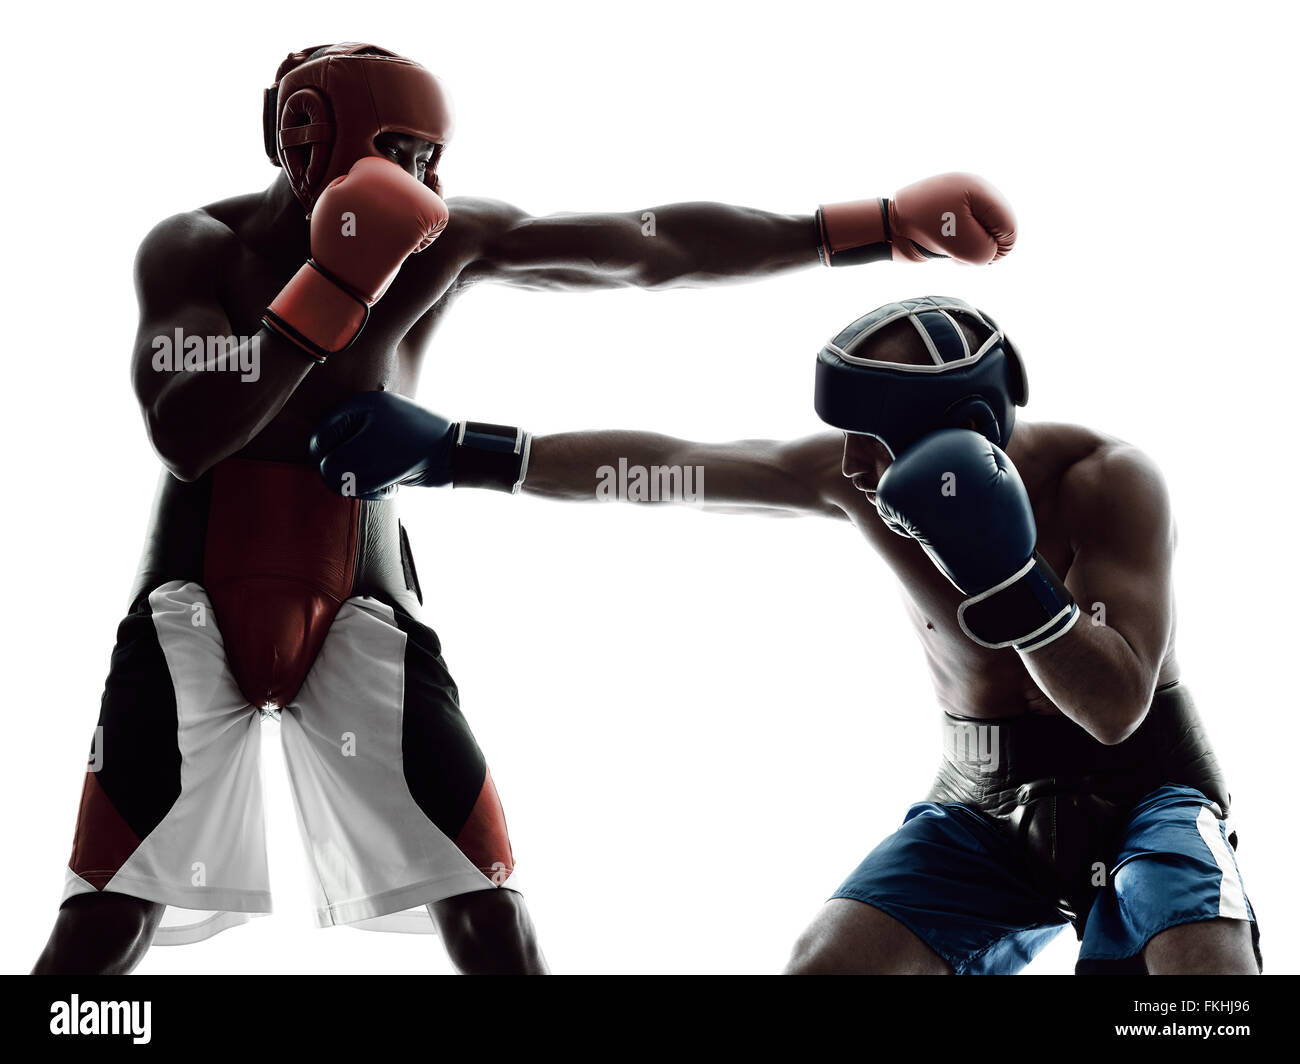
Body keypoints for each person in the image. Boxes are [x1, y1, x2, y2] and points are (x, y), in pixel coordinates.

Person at [33, 38, 1014, 976]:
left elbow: (649, 245)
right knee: (108, 913)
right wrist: (330, 287)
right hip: (189, 602)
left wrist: (871, 225)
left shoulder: (438, 238)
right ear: (302, 135)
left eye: (429, 155)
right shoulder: (195, 247)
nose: (415, 176)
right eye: (394, 152)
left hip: (362, 600)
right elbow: (188, 427)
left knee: (489, 906)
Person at [313, 296, 1261, 974]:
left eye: (876, 438)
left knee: (1199, 960)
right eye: (845, 430)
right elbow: (670, 468)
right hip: (983, 802)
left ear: (970, 431)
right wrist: (457, 450)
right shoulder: (852, 476)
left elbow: (1114, 707)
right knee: (826, 968)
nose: (851, 463)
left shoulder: (1107, 480)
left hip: (1144, 786)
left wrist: (1010, 578)